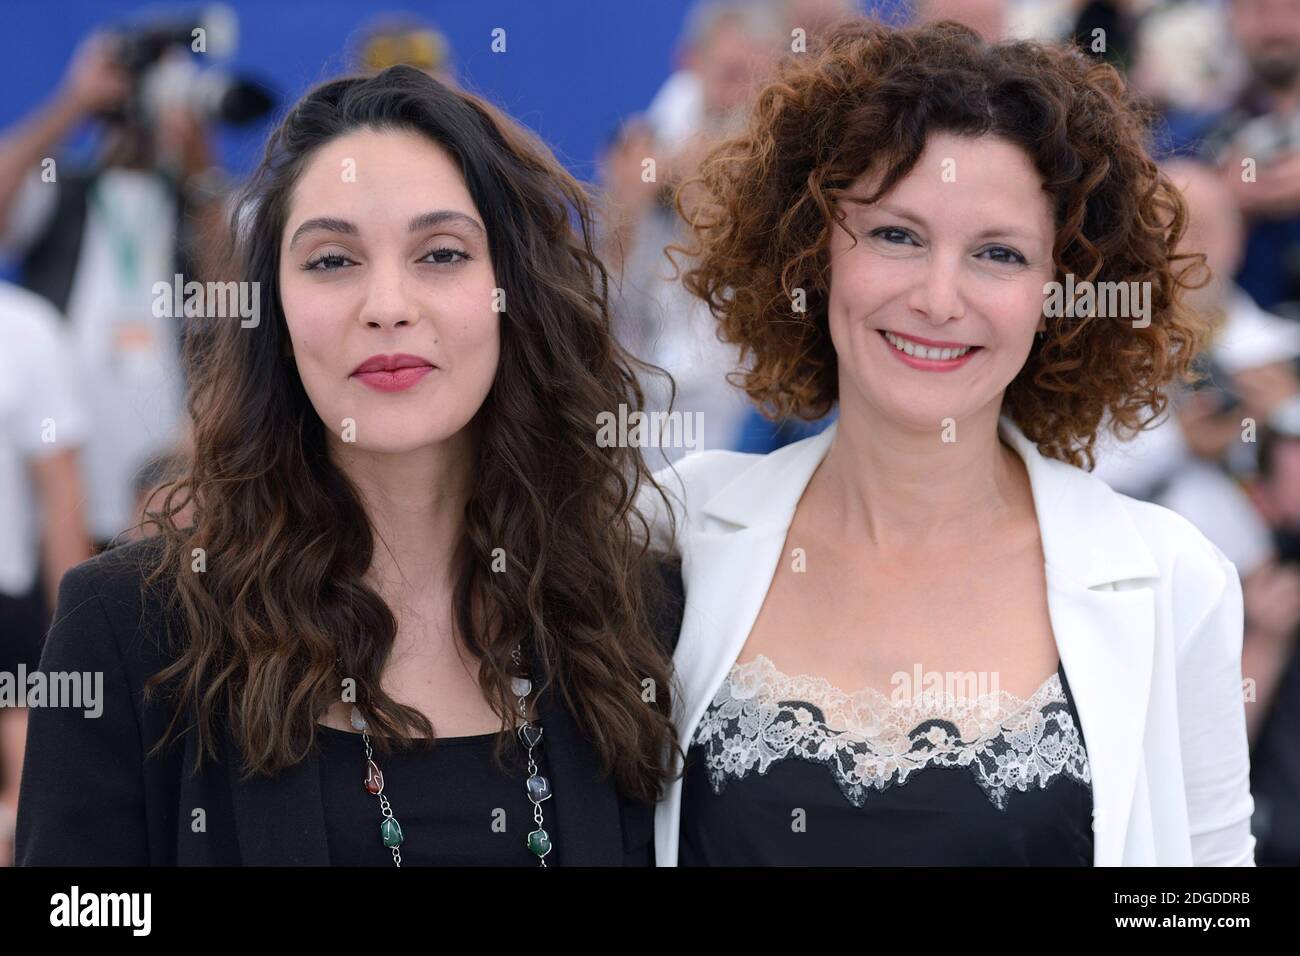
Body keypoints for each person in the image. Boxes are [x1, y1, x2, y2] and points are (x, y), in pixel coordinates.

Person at [16, 65, 683, 867]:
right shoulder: (130, 629)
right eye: (333, 261)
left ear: (514, 293)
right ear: (275, 312)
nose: (388, 304)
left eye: (441, 254)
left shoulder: (645, 619)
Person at [647, 18, 1255, 865]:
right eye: (897, 235)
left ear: (1061, 292)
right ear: (812, 251)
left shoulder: (1172, 580)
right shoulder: (674, 531)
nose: (939, 298)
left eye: (998, 254)